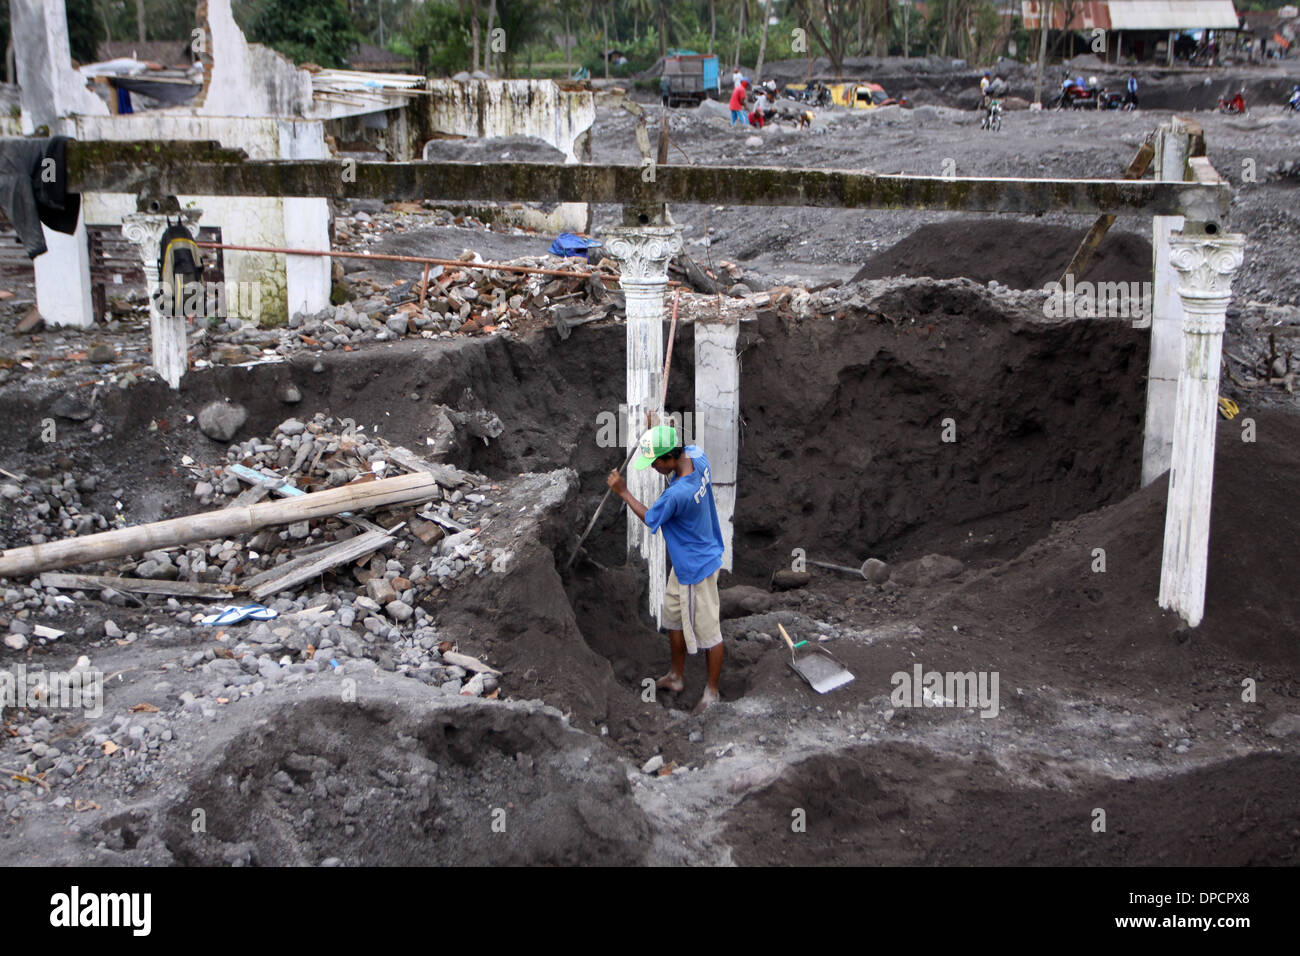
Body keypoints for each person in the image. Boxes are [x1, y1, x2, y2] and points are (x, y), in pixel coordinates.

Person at [607, 425, 726, 715]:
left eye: (655, 464)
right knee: (672, 618)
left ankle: (712, 692)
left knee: (710, 633)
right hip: (685, 563)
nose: (654, 469)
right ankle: (676, 677)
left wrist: (623, 491)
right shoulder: (697, 456)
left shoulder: (676, 495)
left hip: (698, 567)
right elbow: (672, 439)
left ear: (668, 459)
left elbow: (650, 517)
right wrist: (655, 427)